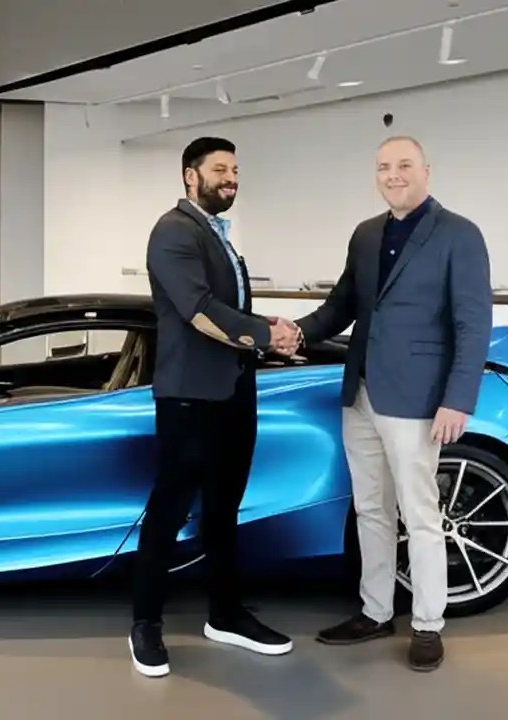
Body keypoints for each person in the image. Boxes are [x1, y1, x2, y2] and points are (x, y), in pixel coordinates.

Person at [290, 136, 492, 672]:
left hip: (418, 399)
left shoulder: (460, 234)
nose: (393, 175)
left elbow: (474, 325)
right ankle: (375, 610)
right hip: (360, 393)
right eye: (383, 167)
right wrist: (294, 333)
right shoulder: (366, 234)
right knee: (371, 509)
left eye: (403, 165)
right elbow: (341, 306)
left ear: (427, 170)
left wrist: (458, 399)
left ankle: (428, 624)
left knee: (420, 515)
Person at [130, 136, 298, 678]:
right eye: (220, 169)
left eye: (235, 170)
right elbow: (199, 312)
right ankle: (145, 625)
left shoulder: (219, 236)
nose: (231, 178)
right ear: (189, 175)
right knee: (169, 511)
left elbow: (227, 308)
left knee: (225, 509)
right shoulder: (173, 231)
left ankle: (225, 615)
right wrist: (267, 336)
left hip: (232, 391)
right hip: (189, 398)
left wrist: (269, 330)